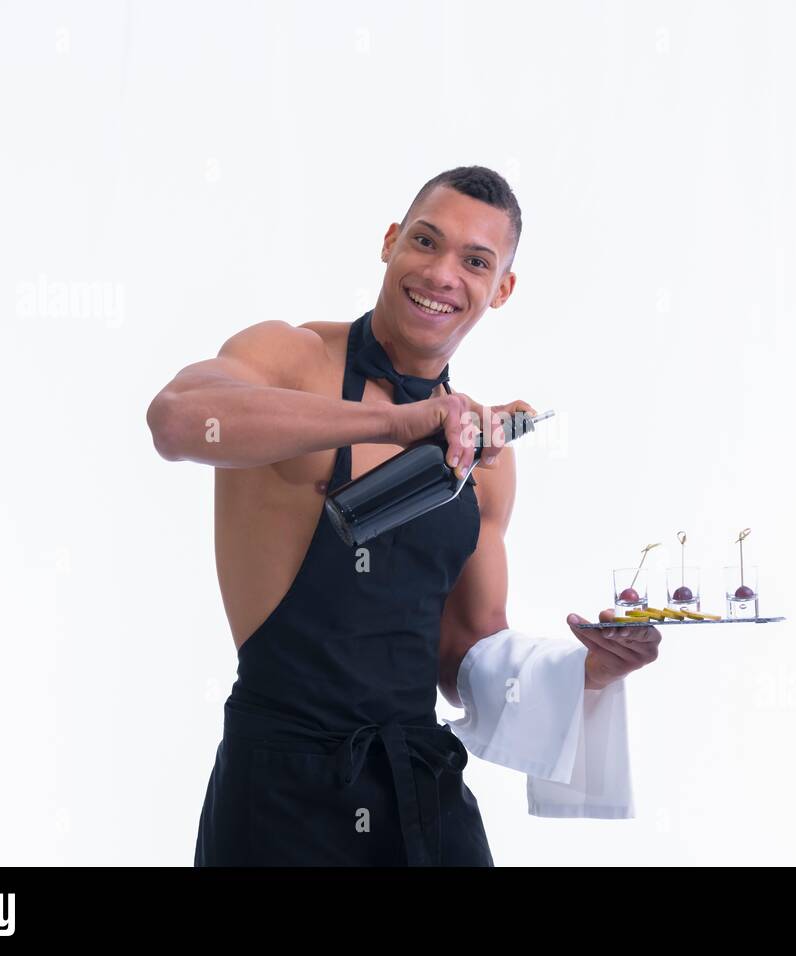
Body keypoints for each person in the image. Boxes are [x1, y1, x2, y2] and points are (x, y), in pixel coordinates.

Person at [145, 165, 660, 866]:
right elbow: (177, 421)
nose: (443, 273)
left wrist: (586, 672)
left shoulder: (485, 453)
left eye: (476, 261)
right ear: (390, 243)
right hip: (276, 798)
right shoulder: (291, 358)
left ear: (501, 289)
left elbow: (465, 650)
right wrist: (394, 422)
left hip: (423, 798)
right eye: (425, 241)